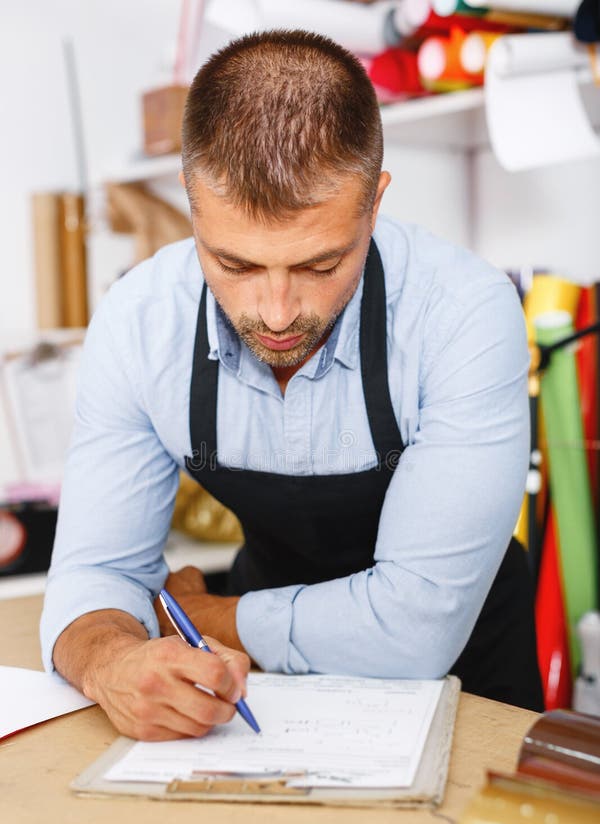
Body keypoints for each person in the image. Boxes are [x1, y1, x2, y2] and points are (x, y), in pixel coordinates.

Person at [41, 30, 544, 741]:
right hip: (259, 688)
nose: (276, 315)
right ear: (191, 201)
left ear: (374, 204)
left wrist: (196, 616)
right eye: (236, 264)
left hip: (472, 683)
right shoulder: (138, 322)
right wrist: (111, 661)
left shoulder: (464, 312)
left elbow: (414, 631)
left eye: (319, 265)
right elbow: (95, 571)